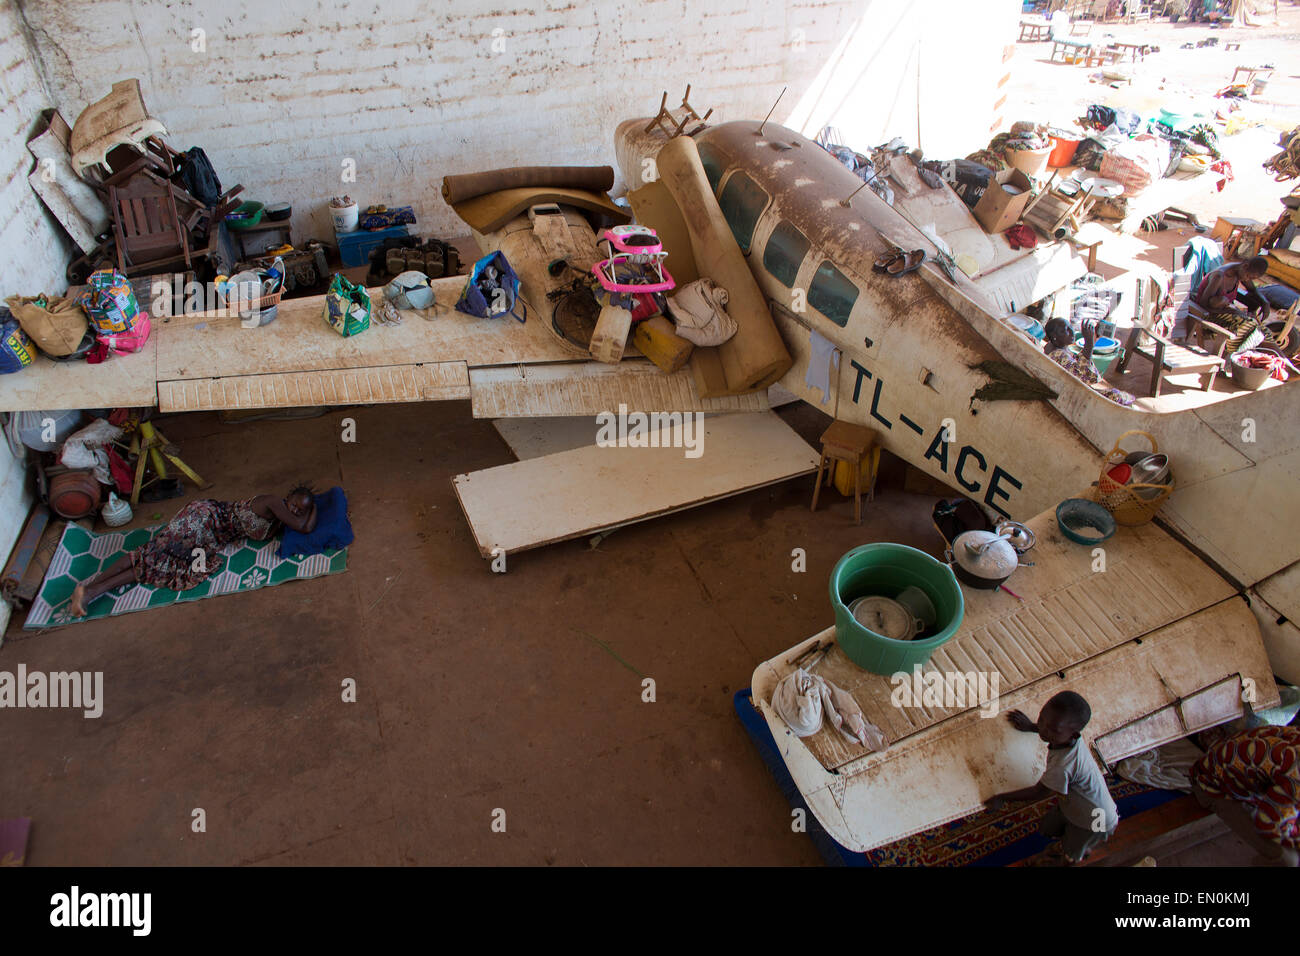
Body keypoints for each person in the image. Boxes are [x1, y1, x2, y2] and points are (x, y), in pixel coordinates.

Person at [68, 485, 319, 617]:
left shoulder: (282, 518)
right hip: (204, 519)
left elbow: (302, 525)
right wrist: (314, 508)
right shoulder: (274, 502)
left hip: (212, 536)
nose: (295, 511)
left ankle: (89, 591)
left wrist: (310, 510)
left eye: (301, 510)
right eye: (294, 505)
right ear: (287, 498)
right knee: (157, 555)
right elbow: (303, 527)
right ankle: (90, 590)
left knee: (161, 562)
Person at [984, 690, 1120, 864]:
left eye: (1052, 729)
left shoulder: (1063, 767)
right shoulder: (1069, 738)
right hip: (1081, 805)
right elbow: (1048, 729)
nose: (1043, 729)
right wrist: (1031, 726)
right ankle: (1074, 841)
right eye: (1041, 719)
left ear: (1074, 735)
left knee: (1073, 848)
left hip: (1096, 821)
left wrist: (1002, 798)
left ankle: (1071, 857)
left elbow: (1038, 792)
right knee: (1050, 826)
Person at [1189, 725, 1299, 867]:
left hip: (1235, 770)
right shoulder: (1295, 778)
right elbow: (1268, 824)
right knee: (1287, 859)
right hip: (1211, 786)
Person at [1194, 257, 1281, 352]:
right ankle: (1239, 354)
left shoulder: (1240, 272)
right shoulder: (1219, 276)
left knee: (1262, 330)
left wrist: (1264, 302)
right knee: (1250, 327)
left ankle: (1282, 359)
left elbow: (1253, 289)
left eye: (1251, 278)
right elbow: (1202, 304)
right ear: (1245, 266)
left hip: (1225, 314)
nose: (1247, 279)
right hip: (1208, 316)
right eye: (1248, 276)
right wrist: (1232, 311)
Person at [1043, 317, 1135, 406]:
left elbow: (1076, 364)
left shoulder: (1055, 346)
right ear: (1054, 336)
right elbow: (1086, 377)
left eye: (1070, 327)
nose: (1072, 332)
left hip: (1075, 389)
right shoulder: (1058, 355)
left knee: (1117, 395)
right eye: (1065, 330)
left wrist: (1093, 339)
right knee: (1118, 397)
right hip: (1074, 397)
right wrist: (1089, 343)